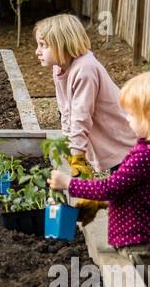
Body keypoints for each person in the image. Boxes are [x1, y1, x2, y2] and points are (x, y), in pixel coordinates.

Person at [47, 70, 150, 287]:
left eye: (132, 114)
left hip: (139, 245)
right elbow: (133, 191)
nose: (127, 118)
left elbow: (110, 187)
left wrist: (68, 183)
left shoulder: (144, 156)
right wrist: (105, 203)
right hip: (143, 240)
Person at [34, 13, 138, 222]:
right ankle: (105, 204)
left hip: (124, 139)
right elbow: (66, 110)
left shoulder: (85, 70)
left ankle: (134, 241)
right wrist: (69, 146)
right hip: (110, 138)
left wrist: (78, 156)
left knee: (127, 196)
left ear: (63, 44)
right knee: (120, 191)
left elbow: (81, 115)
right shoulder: (60, 68)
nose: (37, 52)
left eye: (43, 45)